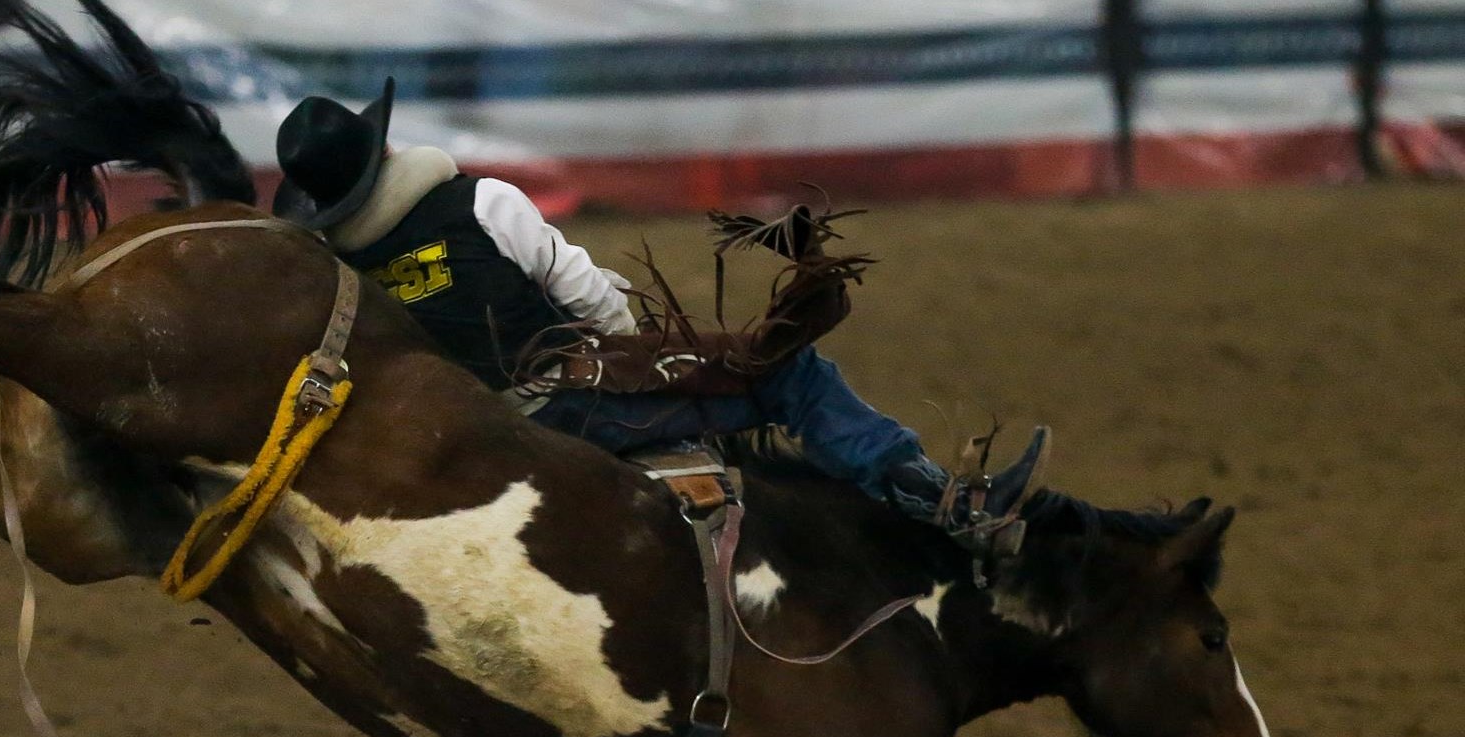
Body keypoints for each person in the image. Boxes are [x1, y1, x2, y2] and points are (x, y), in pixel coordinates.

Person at [271, 81, 1045, 552]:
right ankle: (937, 501)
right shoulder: (481, 202)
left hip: (467, 432)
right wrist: (640, 360)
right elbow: (590, 297)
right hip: (564, 406)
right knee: (791, 373)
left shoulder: (344, 269)